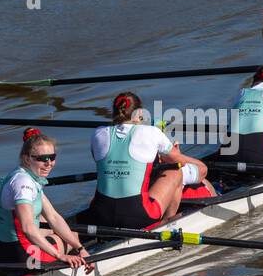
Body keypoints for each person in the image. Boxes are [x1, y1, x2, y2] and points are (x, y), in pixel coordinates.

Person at [86, 92, 214, 228]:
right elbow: (183, 164)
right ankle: (167, 223)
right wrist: (178, 155)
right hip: (138, 216)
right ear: (140, 113)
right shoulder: (152, 132)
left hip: (99, 215)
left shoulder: (98, 134)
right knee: (176, 172)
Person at [0, 128, 90, 274]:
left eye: (52, 157)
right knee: (73, 235)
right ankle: (72, 261)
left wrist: (81, 248)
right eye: (42, 158)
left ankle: (76, 253)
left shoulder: (24, 175)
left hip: (6, 247)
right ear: (27, 158)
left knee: (51, 225)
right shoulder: (24, 184)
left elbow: (53, 217)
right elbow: (28, 228)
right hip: (23, 253)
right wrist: (60, 256)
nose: (49, 163)